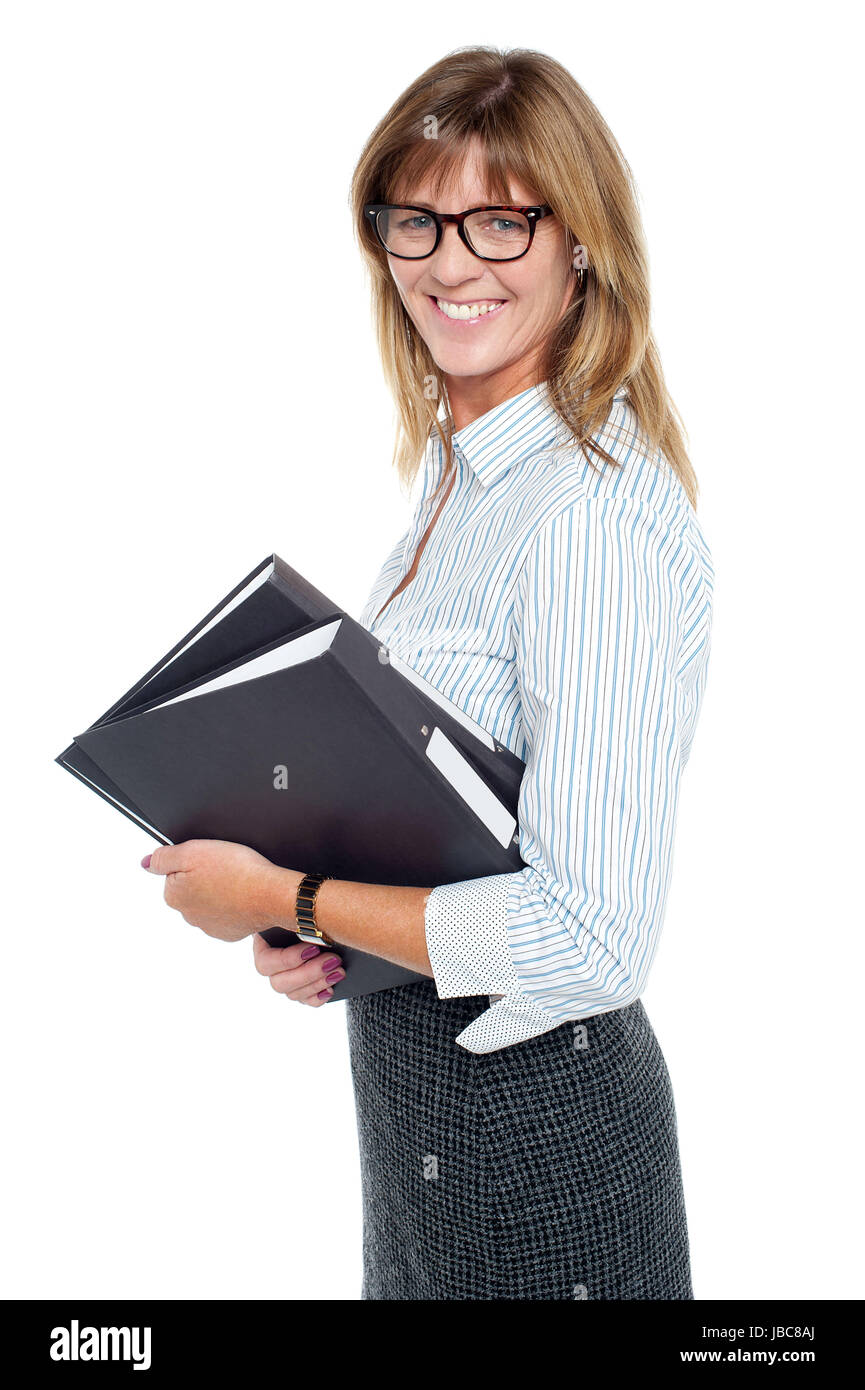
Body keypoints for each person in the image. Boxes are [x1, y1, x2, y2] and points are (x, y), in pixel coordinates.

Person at [142, 45, 715, 1300]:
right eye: (418, 219)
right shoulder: (460, 480)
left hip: (542, 1165)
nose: (452, 263)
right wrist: (318, 927)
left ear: (581, 241)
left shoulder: (586, 520)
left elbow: (592, 935)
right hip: (420, 1136)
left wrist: (291, 893)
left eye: (501, 219)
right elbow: (446, 822)